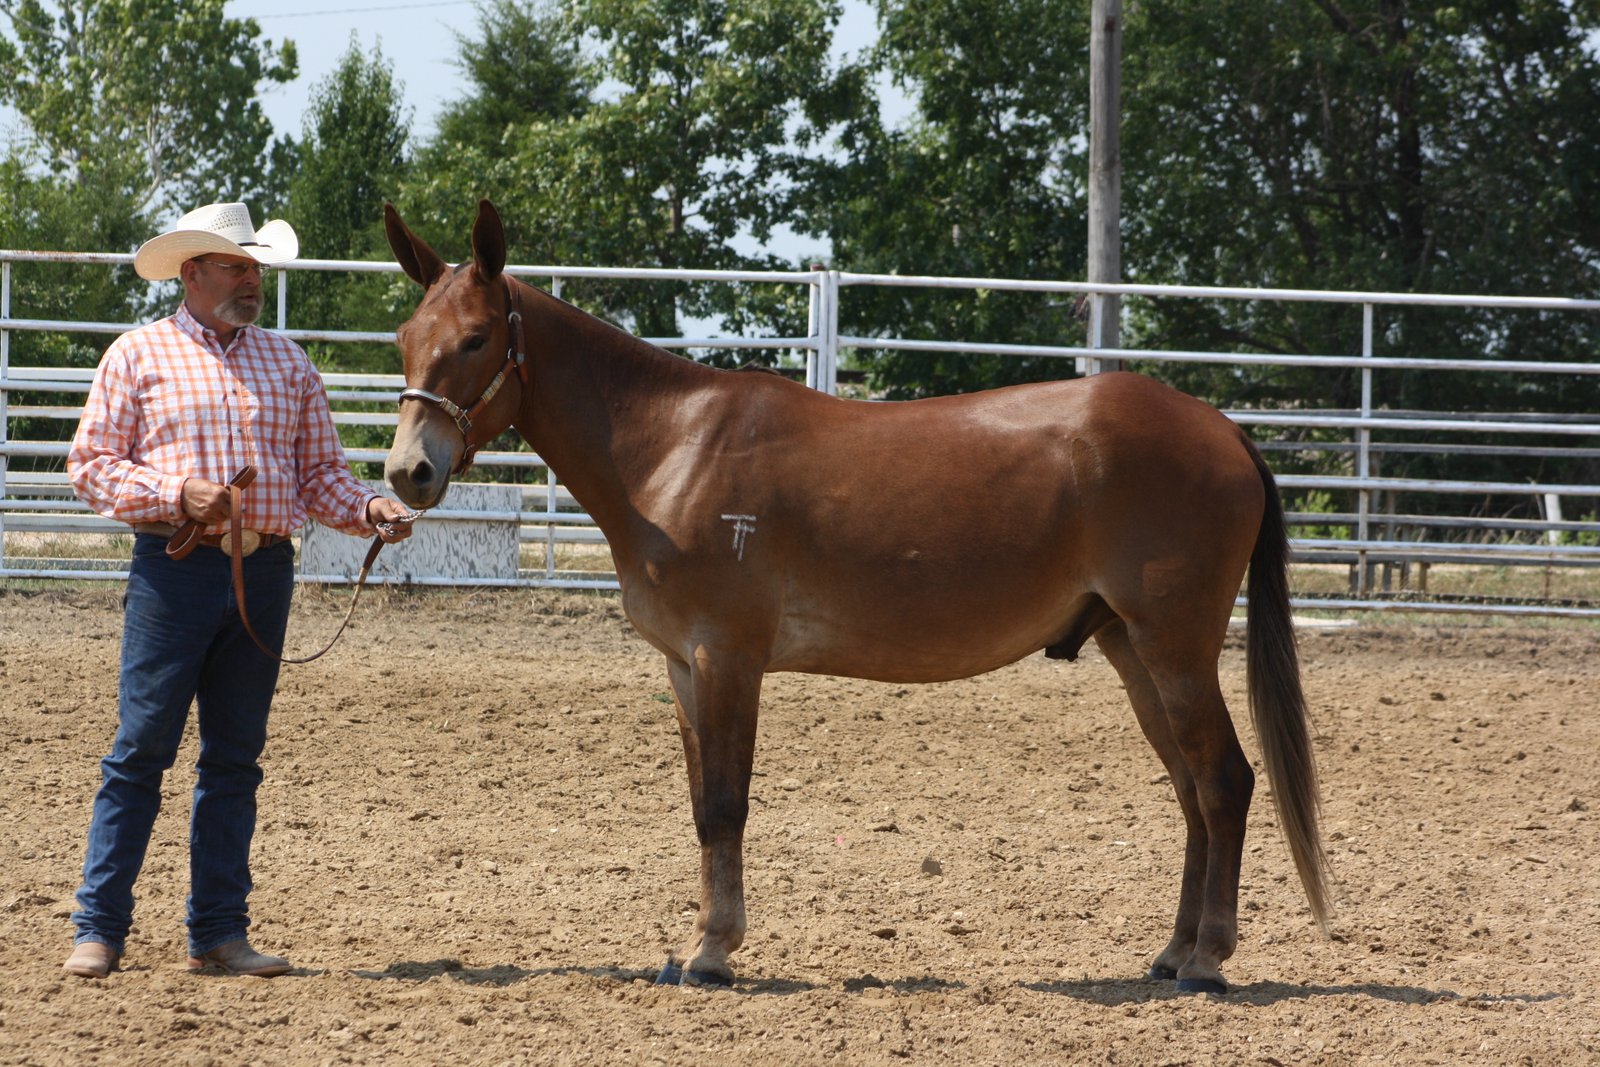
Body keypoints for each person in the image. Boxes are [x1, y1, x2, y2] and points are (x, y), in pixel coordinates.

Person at [62, 203, 416, 979]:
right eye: (236, 266)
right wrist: (176, 491)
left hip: (262, 570)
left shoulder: (288, 364)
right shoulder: (137, 354)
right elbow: (90, 464)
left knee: (235, 758)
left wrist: (366, 509)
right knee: (141, 749)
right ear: (191, 273)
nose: (251, 280)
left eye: (254, 267)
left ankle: (218, 933)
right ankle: (100, 927)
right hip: (175, 565)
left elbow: (318, 474)